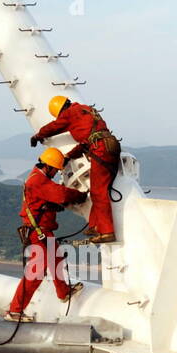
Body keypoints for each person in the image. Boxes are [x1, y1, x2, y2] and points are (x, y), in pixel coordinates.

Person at [5, 147, 85, 322]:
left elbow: (46, 199)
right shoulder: (38, 181)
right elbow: (61, 194)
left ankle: (63, 291)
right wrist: (81, 195)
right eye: (56, 169)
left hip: (39, 231)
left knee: (55, 260)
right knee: (35, 273)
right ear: (48, 166)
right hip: (39, 231)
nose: (57, 172)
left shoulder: (37, 177)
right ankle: (15, 311)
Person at [30, 96, 121, 243]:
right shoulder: (87, 111)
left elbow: (55, 126)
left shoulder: (71, 113)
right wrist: (68, 156)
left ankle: (107, 232)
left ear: (60, 110)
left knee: (99, 192)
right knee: (99, 189)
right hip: (110, 146)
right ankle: (95, 225)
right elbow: (87, 142)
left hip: (101, 149)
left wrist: (38, 135)